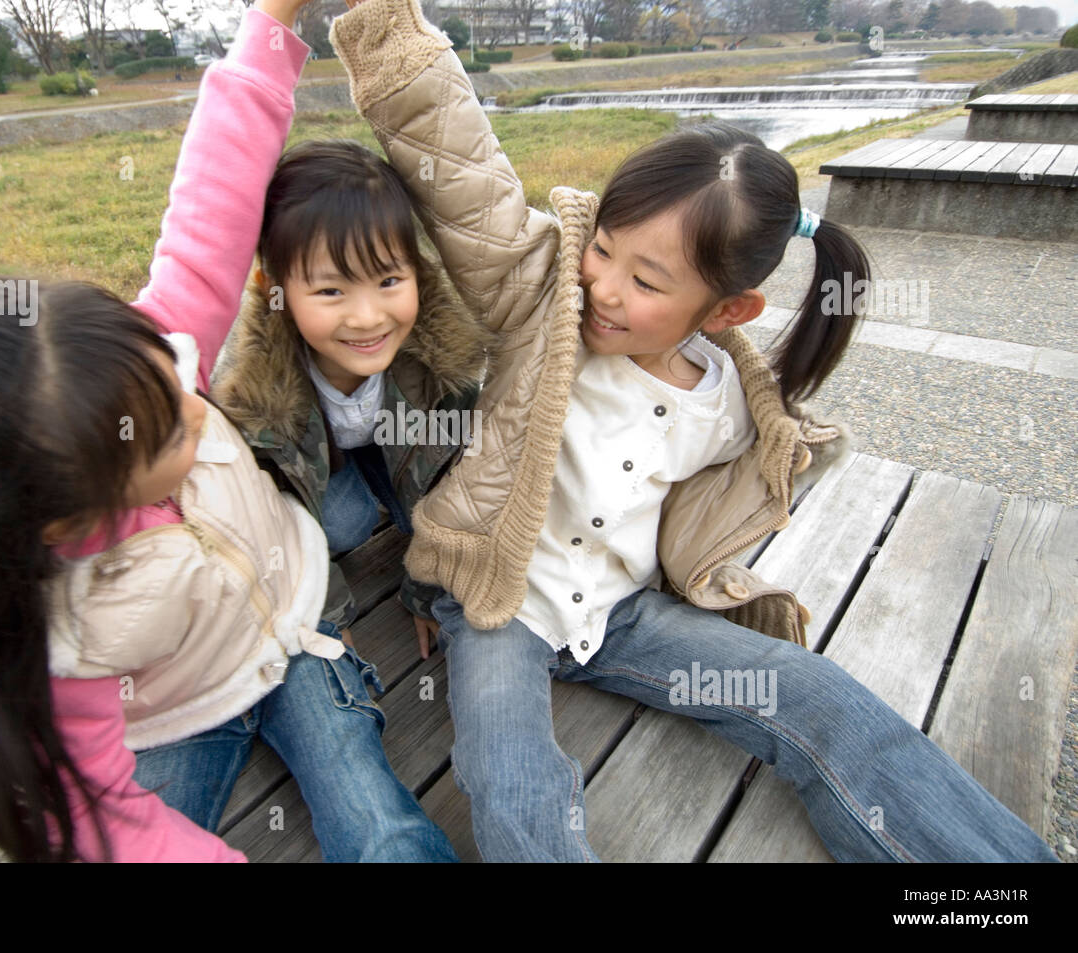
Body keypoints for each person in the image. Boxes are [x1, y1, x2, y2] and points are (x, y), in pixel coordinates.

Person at [327, 0, 1060, 862]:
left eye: (645, 278)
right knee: (511, 768)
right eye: (604, 247)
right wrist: (387, 29)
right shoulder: (546, 304)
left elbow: (707, 518)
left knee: (815, 691)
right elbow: (464, 177)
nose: (602, 285)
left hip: (629, 615)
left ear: (726, 311)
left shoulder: (734, 409)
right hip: (500, 602)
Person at [0, 0, 448, 863]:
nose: (195, 397)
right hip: (167, 709)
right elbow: (99, 821)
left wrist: (272, 19)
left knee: (383, 829)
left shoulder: (149, 361)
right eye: (168, 432)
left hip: (294, 639)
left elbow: (209, 211)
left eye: (169, 374)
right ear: (63, 521)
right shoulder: (52, 635)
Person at [212, 139, 492, 657]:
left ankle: (384, 491)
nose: (367, 318)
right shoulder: (253, 396)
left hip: (398, 444)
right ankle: (362, 492)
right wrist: (326, 612)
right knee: (343, 526)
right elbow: (266, 516)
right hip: (328, 462)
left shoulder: (439, 366)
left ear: (418, 271)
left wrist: (427, 592)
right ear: (272, 287)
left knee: (423, 513)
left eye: (388, 280)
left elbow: (461, 488)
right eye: (330, 291)